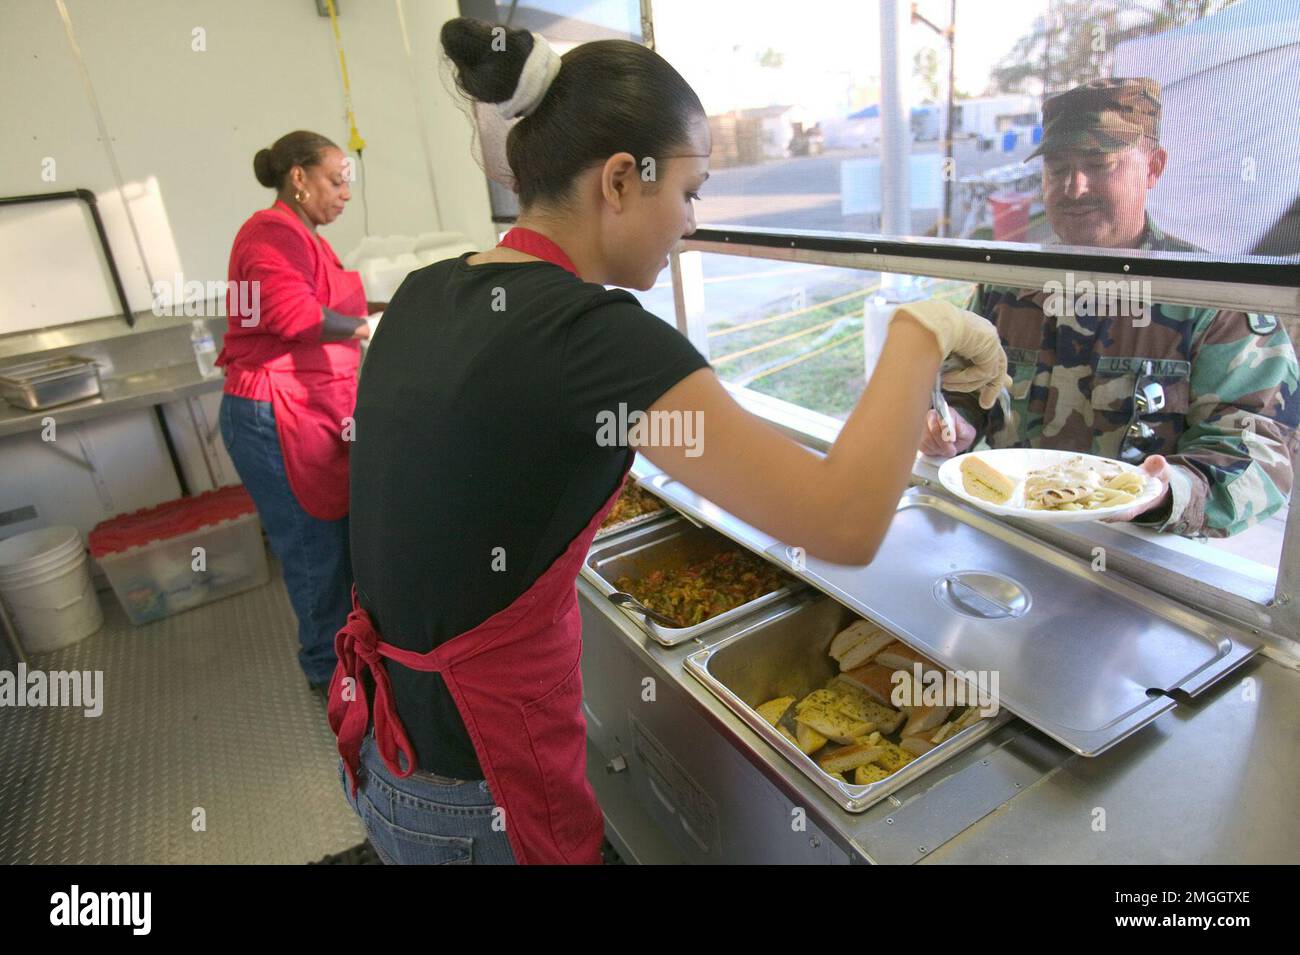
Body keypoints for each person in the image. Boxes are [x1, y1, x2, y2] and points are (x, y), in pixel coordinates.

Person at [330, 19, 1009, 865]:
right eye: (690, 192)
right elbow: (842, 522)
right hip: (481, 799)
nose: (692, 222)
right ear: (620, 180)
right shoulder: (593, 335)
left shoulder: (432, 292)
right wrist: (923, 328)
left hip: (384, 757)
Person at [922, 78, 1299, 537]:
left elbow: (1261, 452)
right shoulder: (1009, 286)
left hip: (1142, 560)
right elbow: (968, 388)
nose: (1074, 188)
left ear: (1154, 167)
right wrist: (954, 421)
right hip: (1012, 538)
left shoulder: (1212, 300)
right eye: (1057, 168)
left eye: (1100, 165)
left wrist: (1168, 491)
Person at [216, 131, 376, 695]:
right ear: (299, 178)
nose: (345, 194)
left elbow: (321, 304)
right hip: (275, 417)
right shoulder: (269, 234)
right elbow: (293, 315)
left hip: (308, 411)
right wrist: (365, 327)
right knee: (316, 554)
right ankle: (325, 675)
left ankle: (352, 663)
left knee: (335, 546)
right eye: (336, 180)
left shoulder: (304, 237)